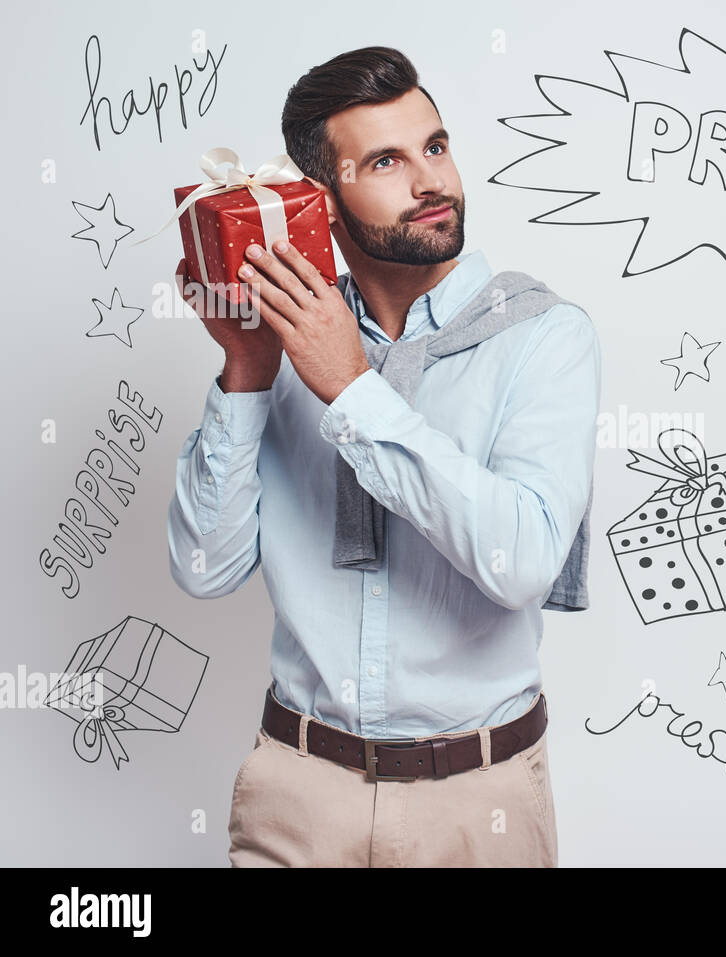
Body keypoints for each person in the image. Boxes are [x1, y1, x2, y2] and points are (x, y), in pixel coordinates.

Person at [165, 46, 601, 867]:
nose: (431, 180)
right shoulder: (286, 339)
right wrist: (249, 371)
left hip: (481, 799)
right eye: (387, 162)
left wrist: (353, 391)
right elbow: (202, 566)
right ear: (319, 200)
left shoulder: (545, 334)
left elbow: (525, 560)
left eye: (435, 147)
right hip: (296, 789)